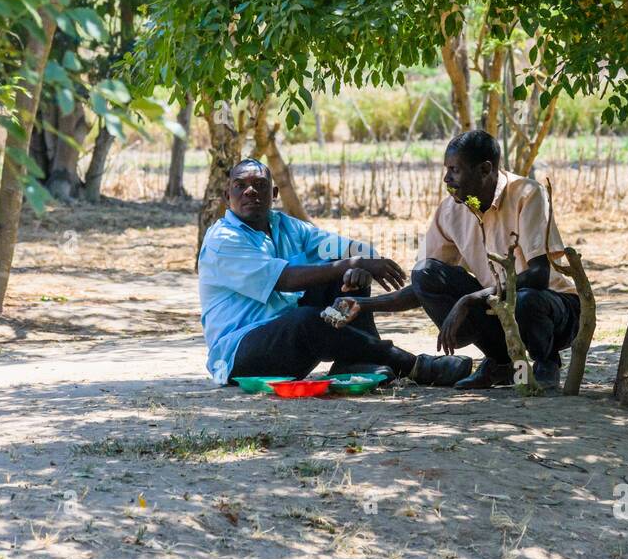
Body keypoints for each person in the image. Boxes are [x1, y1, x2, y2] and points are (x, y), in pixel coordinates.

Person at [334, 131, 580, 390]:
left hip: (554, 309)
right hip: (501, 308)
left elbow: (539, 275)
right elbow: (424, 286)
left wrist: (470, 298)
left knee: (527, 299)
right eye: (446, 170)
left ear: (485, 170)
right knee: (425, 272)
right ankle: (501, 362)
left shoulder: (527, 193)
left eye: (455, 170)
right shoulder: (451, 210)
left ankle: (546, 363)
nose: (446, 179)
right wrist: (362, 304)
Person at [197, 158, 473, 387]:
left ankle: (355, 362)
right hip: (240, 356)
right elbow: (285, 280)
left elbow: (344, 248)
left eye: (260, 185)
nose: (250, 192)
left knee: (346, 277)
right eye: (240, 185)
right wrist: (353, 264)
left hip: (291, 343)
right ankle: (414, 365)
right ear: (227, 195)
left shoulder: (286, 226)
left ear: (274, 194)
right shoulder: (224, 240)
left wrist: (363, 261)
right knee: (309, 317)